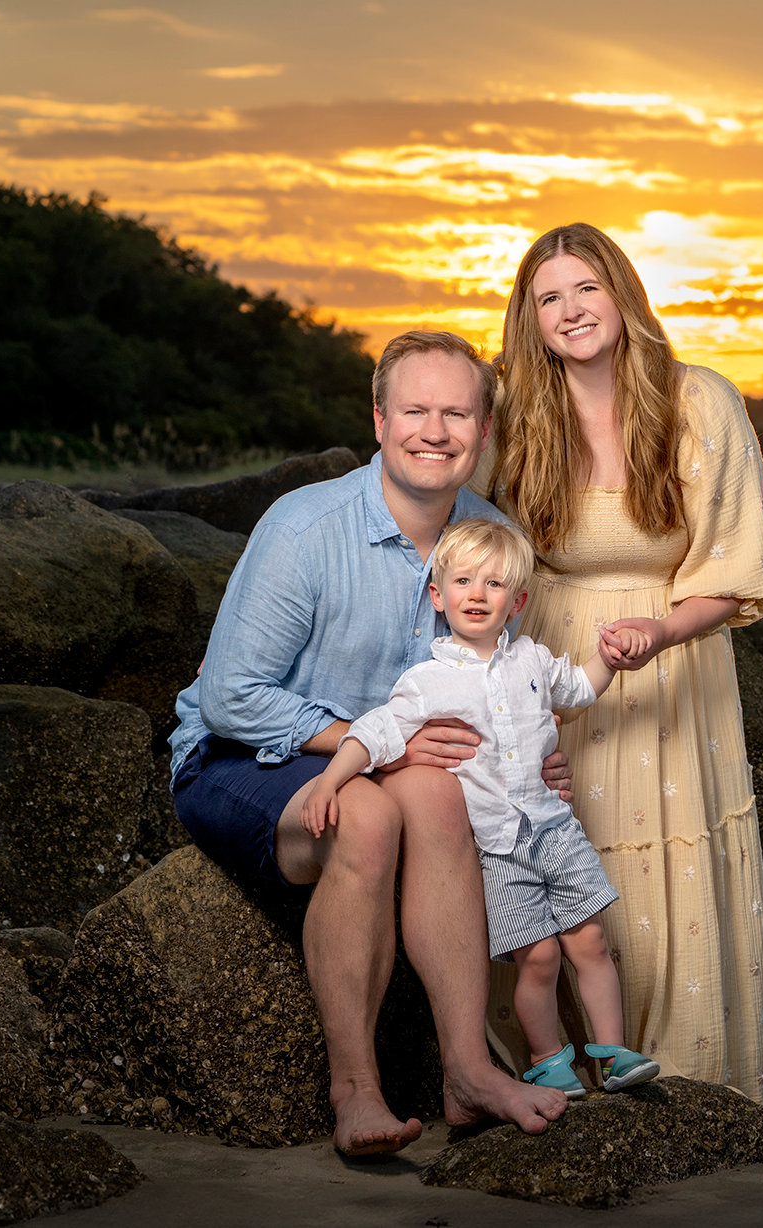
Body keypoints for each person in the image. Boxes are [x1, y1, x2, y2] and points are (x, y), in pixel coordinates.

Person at [168, 331, 572, 1155]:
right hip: (241, 757)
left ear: (483, 431)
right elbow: (231, 695)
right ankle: (355, 1089)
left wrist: (529, 748)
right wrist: (373, 745)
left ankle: (465, 1069)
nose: (435, 429)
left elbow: (497, 679)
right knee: (368, 816)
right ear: (380, 419)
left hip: (390, 762)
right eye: (415, 409)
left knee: (434, 792)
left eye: (456, 411)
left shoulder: (487, 539)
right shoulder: (306, 528)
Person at [476, 222, 763, 1103]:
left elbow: (741, 570)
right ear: (530, 320)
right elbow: (468, 538)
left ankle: (679, 1069)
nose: (572, 311)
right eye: (550, 298)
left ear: (623, 294)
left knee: (666, 860)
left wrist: (660, 632)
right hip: (549, 665)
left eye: (587, 289)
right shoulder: (518, 417)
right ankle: (548, 1066)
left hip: (673, 665)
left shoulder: (701, 403)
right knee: (552, 854)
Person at [300, 517, 661, 1098]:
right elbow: (376, 731)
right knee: (538, 958)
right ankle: (547, 1060)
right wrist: (329, 782)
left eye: (494, 585)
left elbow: (579, 688)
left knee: (590, 939)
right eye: (464, 581)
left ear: (516, 601)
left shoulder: (535, 662)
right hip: (496, 846)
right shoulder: (428, 681)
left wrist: (609, 662)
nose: (477, 594)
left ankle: (615, 1054)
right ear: (438, 596)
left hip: (555, 830)